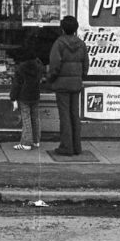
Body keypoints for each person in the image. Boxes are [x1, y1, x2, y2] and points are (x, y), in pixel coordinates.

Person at [48, 15, 89, 156]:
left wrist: (51, 79)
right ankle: (77, 147)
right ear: (76, 28)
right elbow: (86, 65)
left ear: (62, 28)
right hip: (76, 84)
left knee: (64, 116)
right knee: (74, 115)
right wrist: (79, 77)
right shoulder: (81, 44)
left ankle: (66, 147)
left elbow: (54, 66)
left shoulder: (59, 43)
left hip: (62, 85)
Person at [10, 49, 45, 151]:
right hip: (35, 95)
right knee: (35, 118)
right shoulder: (39, 66)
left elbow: (17, 84)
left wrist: (13, 97)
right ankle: (36, 140)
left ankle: (26, 143)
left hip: (24, 96)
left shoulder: (21, 68)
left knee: (26, 119)